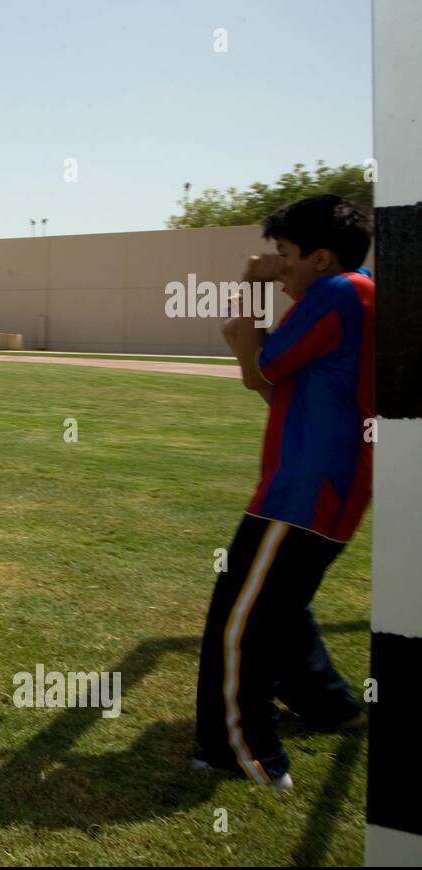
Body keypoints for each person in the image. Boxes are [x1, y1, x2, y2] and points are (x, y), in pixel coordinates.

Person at [192, 194, 374, 791]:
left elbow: (256, 363)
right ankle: (328, 706)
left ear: (320, 258)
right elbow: (264, 376)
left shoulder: (339, 292)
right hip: (324, 492)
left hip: (301, 493)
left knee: (240, 618)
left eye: (285, 255)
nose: (277, 265)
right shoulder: (356, 293)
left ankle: (243, 755)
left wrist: (248, 290)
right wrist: (249, 344)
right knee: (280, 607)